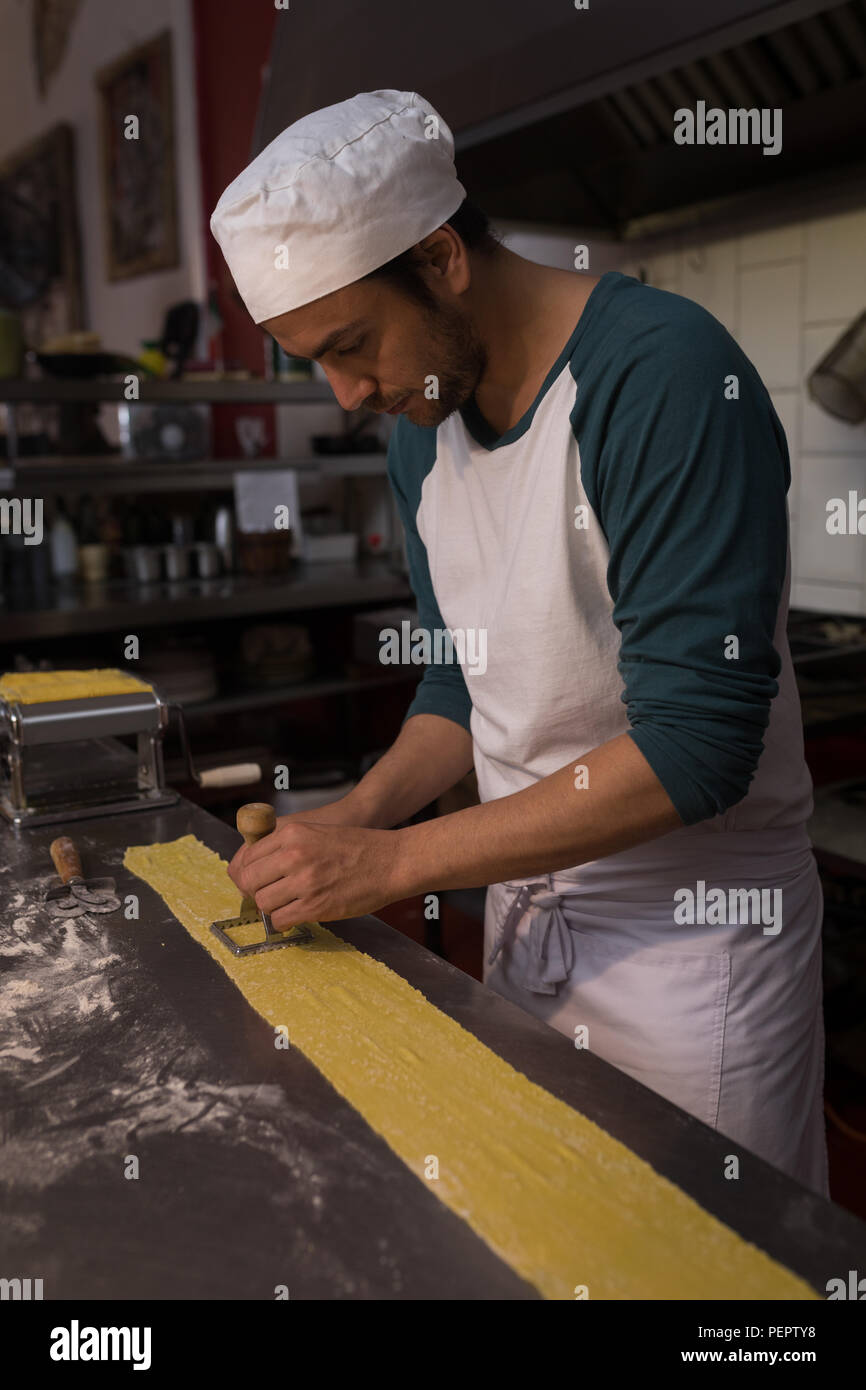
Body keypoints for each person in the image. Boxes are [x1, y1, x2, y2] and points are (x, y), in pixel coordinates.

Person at [211, 90, 828, 1194]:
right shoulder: (425, 419)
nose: (346, 392)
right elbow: (460, 684)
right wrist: (354, 813)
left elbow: (695, 745)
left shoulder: (661, 377)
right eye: (315, 359)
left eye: (351, 345)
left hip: (691, 958)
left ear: (441, 256)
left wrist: (392, 861)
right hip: (525, 918)